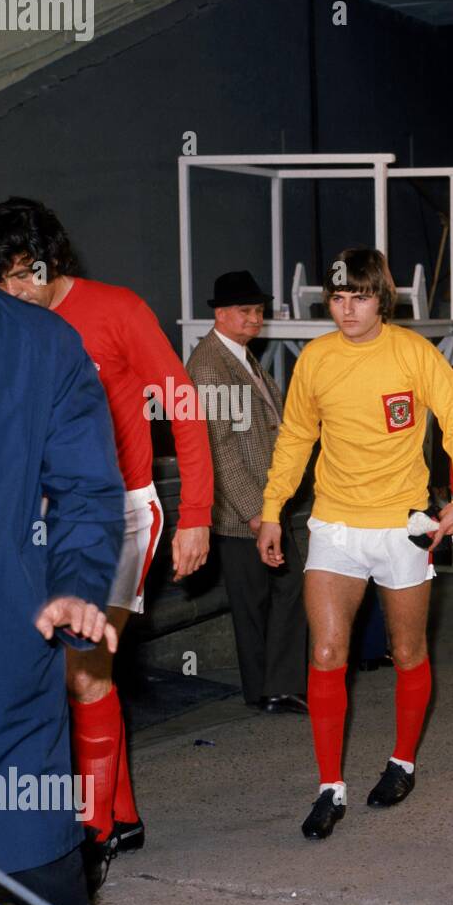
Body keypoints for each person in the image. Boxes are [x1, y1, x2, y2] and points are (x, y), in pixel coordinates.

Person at [0, 198, 213, 873]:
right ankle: (120, 814)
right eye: (2, 278)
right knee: (57, 674)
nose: (14, 290)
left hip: (114, 513)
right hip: (32, 522)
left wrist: (197, 513)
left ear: (51, 261)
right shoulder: (12, 332)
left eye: (24, 274)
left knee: (80, 667)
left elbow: (182, 401)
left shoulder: (115, 309)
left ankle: (87, 832)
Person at [258, 248, 453, 839]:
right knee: (328, 654)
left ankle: (402, 761)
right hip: (335, 524)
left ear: (381, 297)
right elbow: (293, 440)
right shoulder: (315, 359)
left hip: (402, 527)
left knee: (407, 652)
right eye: (337, 297)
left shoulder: (414, 353)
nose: (347, 309)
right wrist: (271, 511)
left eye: (358, 296)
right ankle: (328, 788)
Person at [0, 283, 125, 905]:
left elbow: (84, 487)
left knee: (36, 855)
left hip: (9, 645)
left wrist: (75, 581)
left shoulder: (39, 346)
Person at [188, 271, 308, 715]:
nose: (255, 318)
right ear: (221, 314)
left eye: (258, 310)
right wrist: (257, 514)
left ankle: (271, 687)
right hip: (245, 511)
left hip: (261, 504)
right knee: (274, 591)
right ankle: (274, 687)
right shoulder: (209, 365)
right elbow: (220, 450)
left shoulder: (239, 356)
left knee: (269, 593)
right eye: (246, 310)